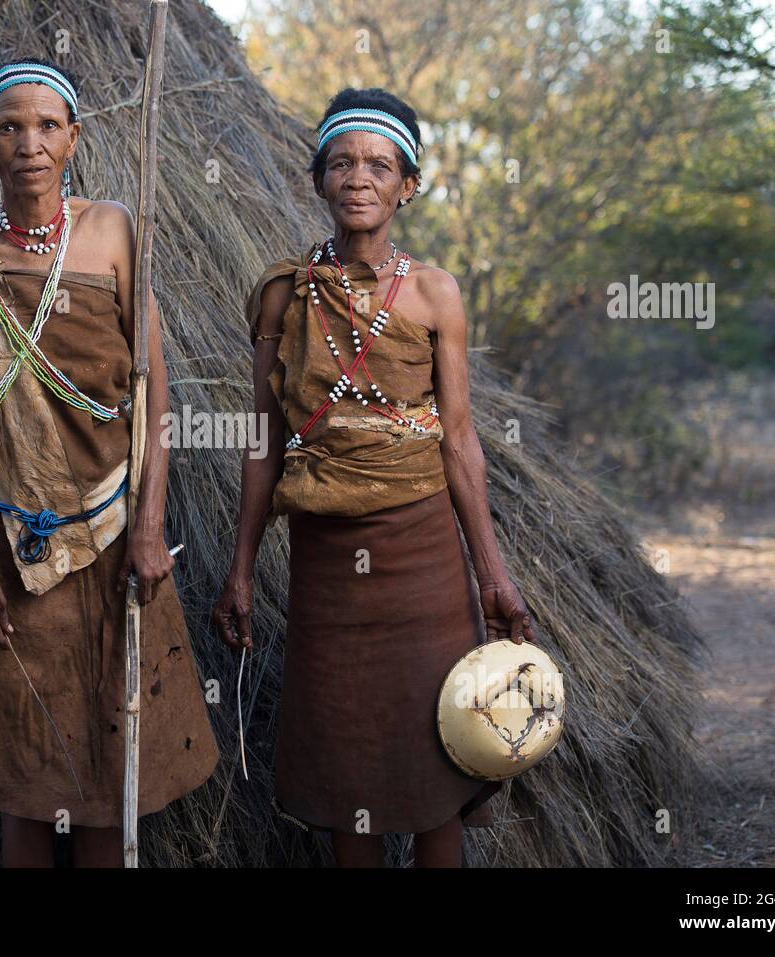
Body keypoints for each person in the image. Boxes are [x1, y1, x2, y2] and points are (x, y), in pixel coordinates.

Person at [0, 58, 218, 867]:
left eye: (46, 126)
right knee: (24, 773)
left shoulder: (111, 229)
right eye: (9, 127)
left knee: (114, 763)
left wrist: (149, 527)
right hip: (8, 551)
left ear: (74, 138)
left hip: (111, 541)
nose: (28, 143)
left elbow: (151, 393)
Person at [212, 87, 538, 868]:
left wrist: (491, 576)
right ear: (318, 178)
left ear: (408, 186)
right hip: (327, 563)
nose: (360, 177)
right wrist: (242, 571)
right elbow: (264, 443)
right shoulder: (283, 293)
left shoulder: (434, 293)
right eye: (343, 162)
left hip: (424, 558)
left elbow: (459, 441)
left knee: (442, 758)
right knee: (345, 764)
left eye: (380, 165)